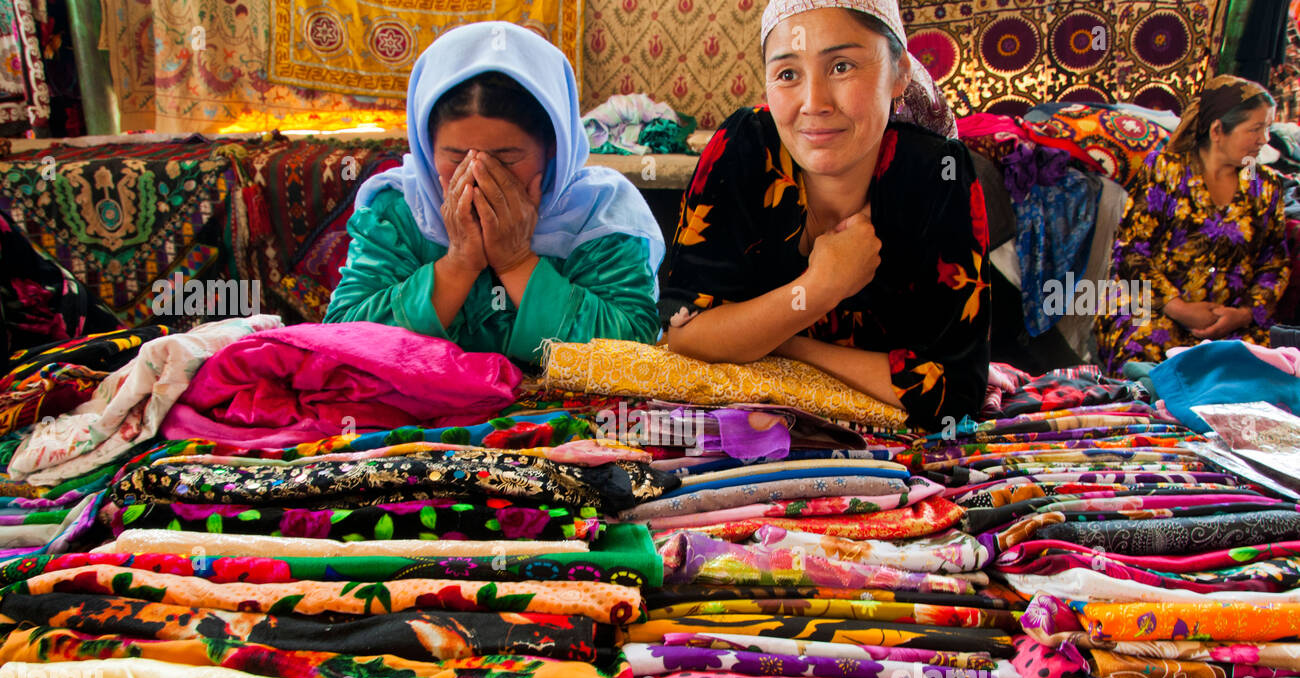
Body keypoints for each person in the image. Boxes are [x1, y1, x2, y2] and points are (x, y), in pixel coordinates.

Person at [658, 0, 991, 429]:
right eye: (788, 74)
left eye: (841, 67)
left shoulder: (937, 174)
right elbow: (682, 331)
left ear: (900, 73)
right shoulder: (744, 149)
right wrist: (819, 288)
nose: (813, 103)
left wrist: (785, 342)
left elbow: (955, 397)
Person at [325, 22, 664, 366]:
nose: (477, 175)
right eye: (456, 157)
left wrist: (517, 261)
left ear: (552, 147)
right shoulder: (399, 211)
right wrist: (458, 264)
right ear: (427, 147)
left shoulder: (598, 215)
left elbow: (635, 348)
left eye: (506, 158)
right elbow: (343, 339)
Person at [1095, 76, 1290, 374]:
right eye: (1255, 128)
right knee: (1149, 369)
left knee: (1253, 375)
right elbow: (1130, 251)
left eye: (1267, 128)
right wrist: (1178, 307)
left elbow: (1274, 263)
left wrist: (1243, 314)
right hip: (1157, 312)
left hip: (1232, 325)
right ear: (1217, 131)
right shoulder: (1164, 171)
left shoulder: (1265, 186)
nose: (1264, 139)